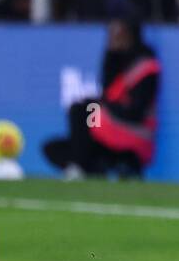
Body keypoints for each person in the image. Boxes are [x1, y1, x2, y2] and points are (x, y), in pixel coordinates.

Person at [43, 17, 161, 178]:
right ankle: (86, 163)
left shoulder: (146, 65)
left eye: (120, 32)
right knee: (52, 147)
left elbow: (136, 110)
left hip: (132, 128)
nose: (116, 37)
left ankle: (81, 165)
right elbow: (107, 91)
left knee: (85, 109)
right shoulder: (116, 59)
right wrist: (111, 53)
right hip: (109, 127)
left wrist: (106, 108)